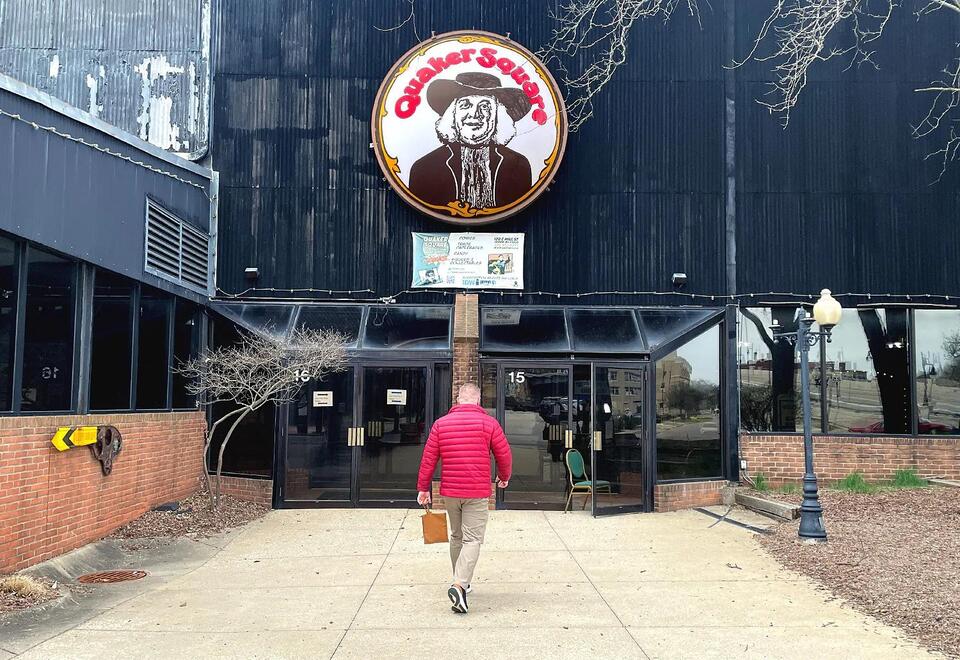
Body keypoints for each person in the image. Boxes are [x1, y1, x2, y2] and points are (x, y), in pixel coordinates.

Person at [416, 382, 512, 614]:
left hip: (450, 491)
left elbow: (429, 458)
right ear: (478, 400)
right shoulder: (489, 423)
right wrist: (503, 476)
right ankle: (459, 584)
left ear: (458, 399)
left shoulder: (441, 424)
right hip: (477, 492)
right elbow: (504, 453)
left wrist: (423, 488)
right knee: (473, 539)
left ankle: (461, 582)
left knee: (457, 536)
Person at [408, 72, 533, 210]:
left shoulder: (519, 166)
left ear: (498, 116)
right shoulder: (425, 168)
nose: (474, 115)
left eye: (485, 106)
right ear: (452, 114)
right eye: (465, 105)